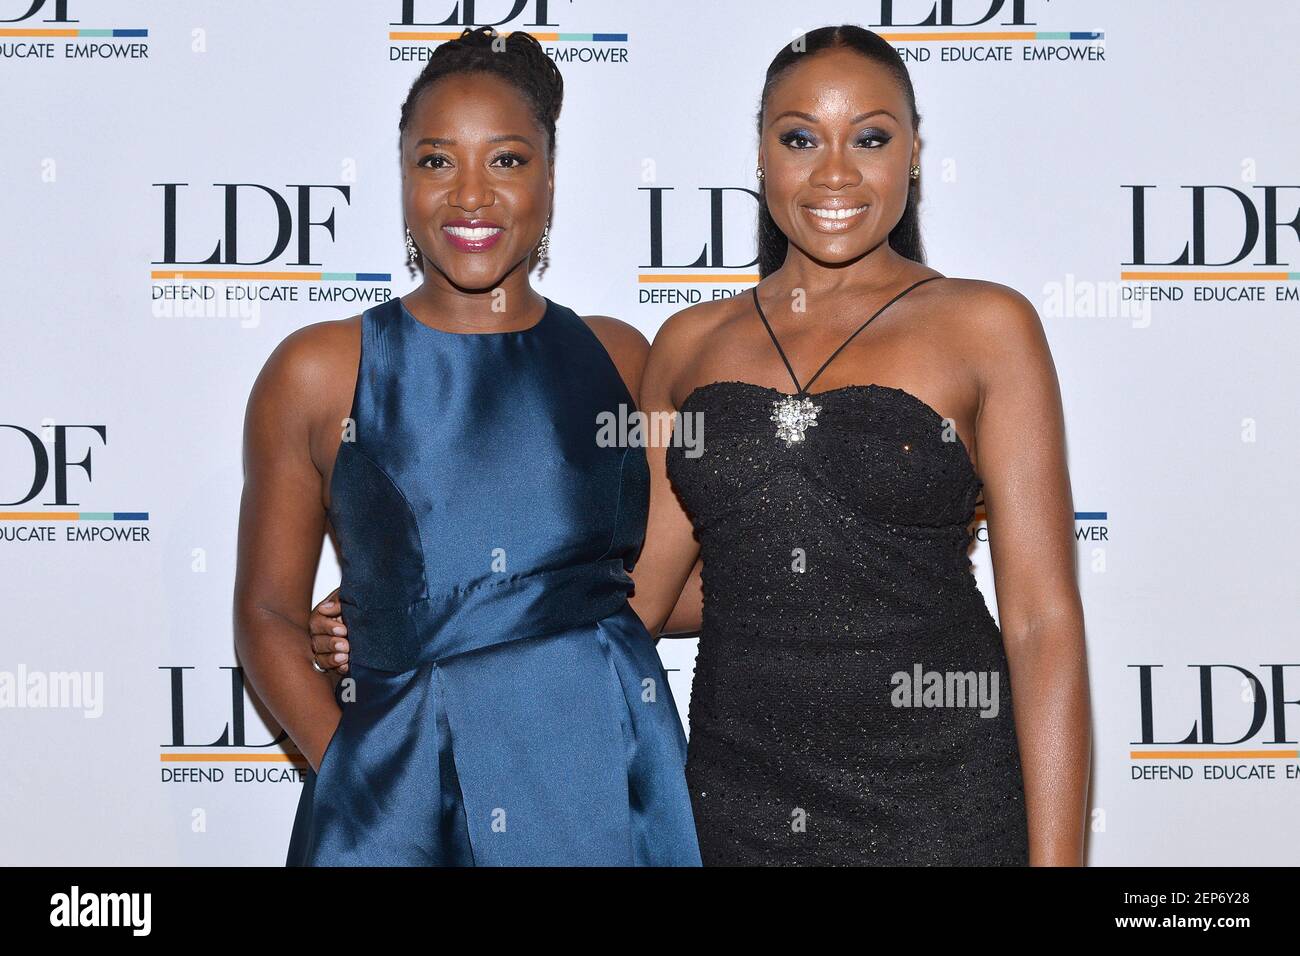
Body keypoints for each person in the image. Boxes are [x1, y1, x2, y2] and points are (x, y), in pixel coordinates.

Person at [311, 24, 1091, 866]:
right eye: (800, 138)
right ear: (761, 156)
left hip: (944, 797)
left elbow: (1045, 624)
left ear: (913, 154)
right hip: (737, 805)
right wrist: (416, 619)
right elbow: (631, 597)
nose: (835, 172)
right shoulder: (687, 347)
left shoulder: (989, 326)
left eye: (870, 137)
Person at [232, 27, 701, 866]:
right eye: (437, 161)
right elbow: (265, 614)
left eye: (508, 160)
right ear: (404, 176)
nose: (471, 196)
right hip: (399, 789)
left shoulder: (621, 358)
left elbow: (667, 583)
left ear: (550, 180)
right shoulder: (320, 370)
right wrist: (357, 772)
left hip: (597, 778)